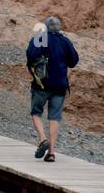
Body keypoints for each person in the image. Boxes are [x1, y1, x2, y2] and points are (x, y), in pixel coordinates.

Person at [26, 16, 78, 163]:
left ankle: (43, 139)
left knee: (36, 113)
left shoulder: (40, 38)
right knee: (54, 117)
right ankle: (51, 153)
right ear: (59, 27)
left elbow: (30, 55)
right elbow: (74, 61)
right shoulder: (65, 41)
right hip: (60, 85)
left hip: (41, 84)